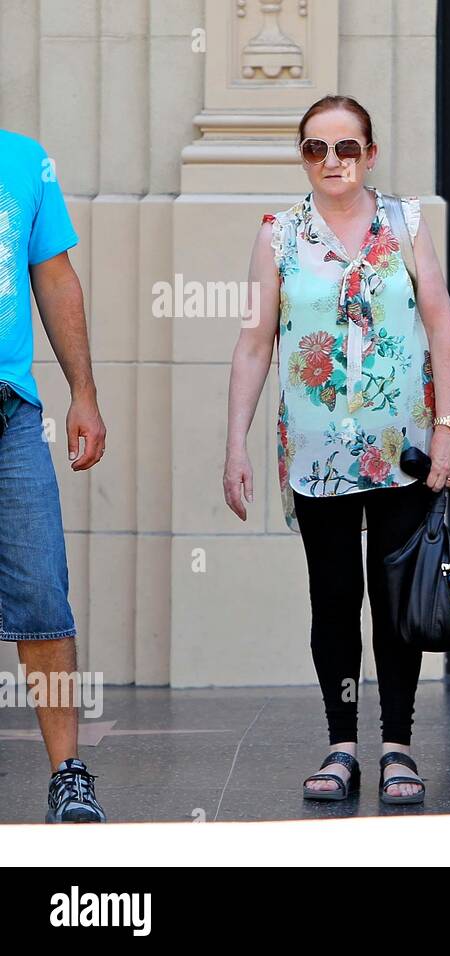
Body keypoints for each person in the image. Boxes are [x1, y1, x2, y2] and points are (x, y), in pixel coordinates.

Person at [223, 95, 450, 806]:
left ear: (371, 152)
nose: (332, 162)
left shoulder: (407, 222)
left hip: (403, 447)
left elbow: (442, 324)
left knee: (395, 601)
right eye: (316, 149)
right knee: (333, 600)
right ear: (302, 156)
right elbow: (253, 342)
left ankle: (397, 746)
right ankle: (340, 746)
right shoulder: (278, 234)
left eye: (347, 148)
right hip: (316, 451)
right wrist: (233, 441)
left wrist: (446, 427)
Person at [0, 129, 108, 822]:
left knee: (43, 595)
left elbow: (54, 275)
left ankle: (68, 774)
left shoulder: (24, 158)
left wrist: (84, 392)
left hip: (10, 416)